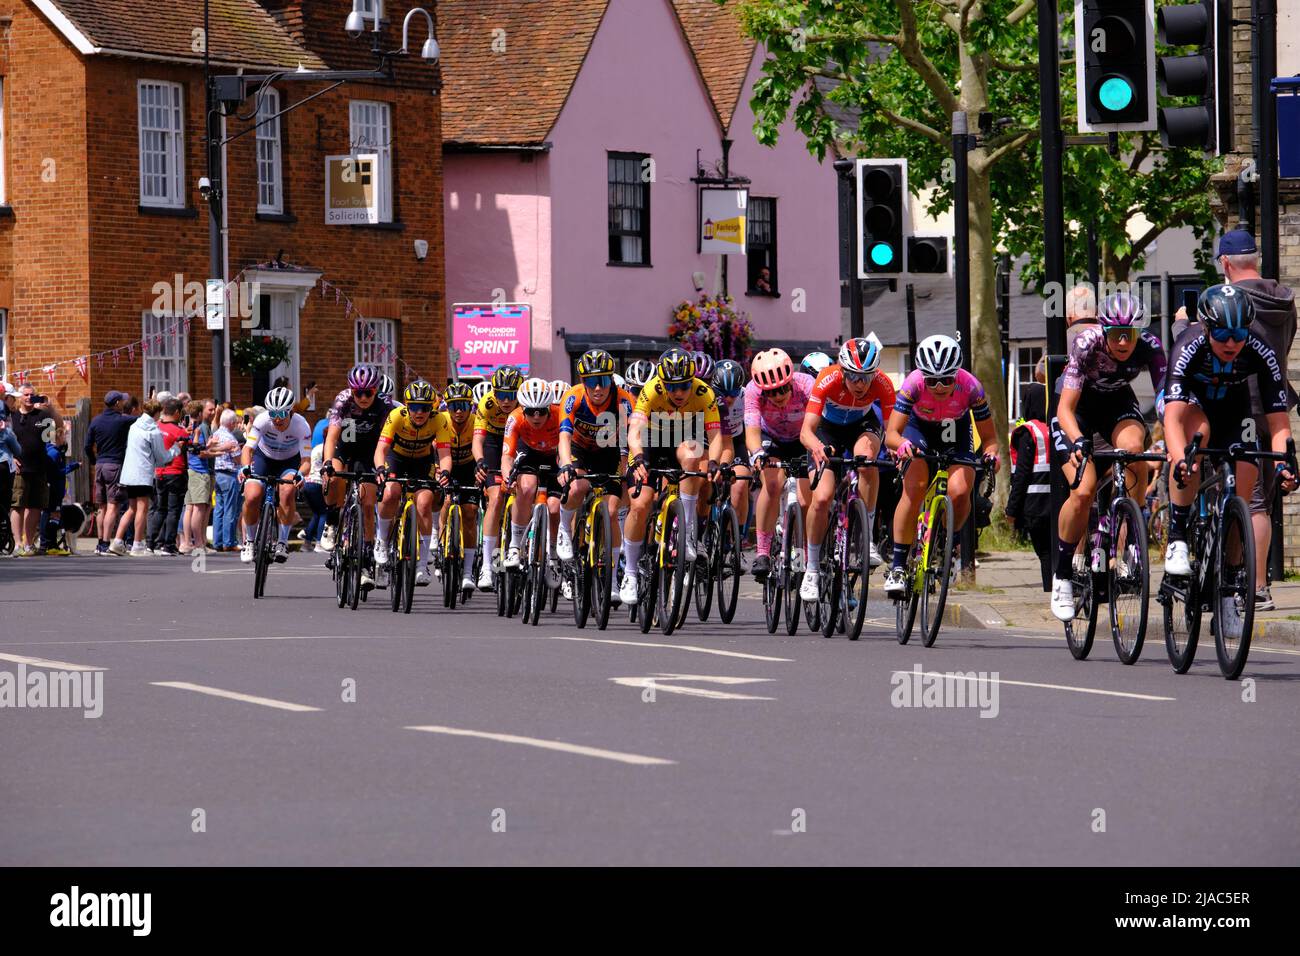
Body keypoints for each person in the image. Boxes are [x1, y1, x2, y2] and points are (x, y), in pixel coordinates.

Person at [1162, 284, 1297, 577]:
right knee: (1197, 437)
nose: (1232, 342)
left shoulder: (1261, 348)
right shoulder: (1188, 344)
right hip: (1190, 402)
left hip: (1234, 406)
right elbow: (1172, 419)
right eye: (1223, 333)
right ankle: (1177, 537)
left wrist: (1284, 465)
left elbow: (1278, 421)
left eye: (1239, 333)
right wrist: (1180, 459)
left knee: (1245, 481)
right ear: (1207, 329)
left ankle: (1232, 571)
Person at [1049, 292, 1166, 620]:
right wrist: (1076, 442)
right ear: (1105, 330)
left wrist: (1172, 433)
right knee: (1083, 491)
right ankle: (1062, 577)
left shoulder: (1151, 347)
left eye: (1130, 334)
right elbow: (1065, 408)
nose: (1124, 341)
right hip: (1078, 409)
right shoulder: (1087, 344)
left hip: (1116, 403)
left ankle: (1132, 532)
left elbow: (1164, 397)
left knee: (1134, 448)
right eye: (1117, 334)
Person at [1215, 229, 1298, 608]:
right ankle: (1250, 578)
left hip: (1239, 402)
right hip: (1274, 403)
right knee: (1261, 495)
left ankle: (1257, 587)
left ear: (1226, 263)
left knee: (1253, 500)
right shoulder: (1284, 301)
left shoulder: (1230, 300)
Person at [883, 335, 1000, 595]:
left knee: (960, 490)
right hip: (918, 429)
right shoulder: (913, 384)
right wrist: (902, 445)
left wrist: (992, 455)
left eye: (946, 380)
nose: (938, 386)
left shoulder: (971, 387)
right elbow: (891, 434)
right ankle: (899, 566)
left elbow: (990, 439)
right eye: (932, 380)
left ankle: (947, 542)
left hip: (956, 431)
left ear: (956, 375)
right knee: (915, 488)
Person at [620, 347, 722, 604]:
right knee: (641, 505)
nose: (678, 393)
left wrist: (713, 462)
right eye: (672, 387)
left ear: (692, 382)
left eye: (684, 386)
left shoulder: (703, 392)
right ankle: (630, 573)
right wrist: (639, 457)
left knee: (692, 457)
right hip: (652, 438)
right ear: (663, 383)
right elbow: (634, 432)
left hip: (684, 436)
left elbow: (716, 436)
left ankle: (686, 532)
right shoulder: (651, 389)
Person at [800, 334, 894, 599]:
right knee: (822, 498)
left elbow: (892, 429)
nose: (860, 383)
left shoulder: (883, 384)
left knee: (867, 461)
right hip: (827, 432)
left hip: (860, 427)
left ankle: (866, 538)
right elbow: (806, 431)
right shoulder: (827, 379)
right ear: (842, 370)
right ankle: (812, 569)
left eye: (867, 377)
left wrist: (901, 450)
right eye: (853, 376)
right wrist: (816, 447)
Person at [556, 350, 633, 601]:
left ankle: (611, 582)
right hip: (579, 450)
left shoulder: (623, 400)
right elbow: (564, 437)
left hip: (608, 452)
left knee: (611, 511)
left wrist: (625, 471)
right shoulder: (573, 398)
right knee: (577, 488)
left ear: (611, 379)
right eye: (591, 381)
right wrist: (566, 465)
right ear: (582, 381)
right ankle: (565, 532)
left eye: (603, 380)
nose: (598, 387)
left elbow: (628, 440)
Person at [745, 348, 815, 582]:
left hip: (803, 438)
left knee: (806, 499)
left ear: (790, 381)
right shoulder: (753, 391)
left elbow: (819, 425)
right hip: (771, 438)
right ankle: (763, 551)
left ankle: (803, 549)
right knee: (772, 485)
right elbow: (752, 431)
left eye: (783, 388)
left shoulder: (806, 384)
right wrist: (757, 454)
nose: (778, 395)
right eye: (772, 392)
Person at [320, 364, 394, 576]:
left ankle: (368, 551)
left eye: (368, 393)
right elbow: (333, 436)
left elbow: (388, 440)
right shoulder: (343, 400)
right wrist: (327, 463)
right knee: (333, 478)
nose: (362, 397)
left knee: (369, 503)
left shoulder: (384, 405)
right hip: (347, 442)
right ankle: (332, 520)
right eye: (358, 392)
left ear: (376, 390)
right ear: (351, 391)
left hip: (370, 450)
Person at [375, 380, 446, 586]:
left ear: (431, 408)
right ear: (407, 407)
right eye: (414, 407)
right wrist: (381, 468)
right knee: (390, 493)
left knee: (424, 502)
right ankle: (381, 542)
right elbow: (381, 450)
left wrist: (446, 471)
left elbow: (444, 453)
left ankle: (422, 565)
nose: (419, 412)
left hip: (422, 462)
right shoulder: (396, 416)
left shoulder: (439, 419)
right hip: (396, 459)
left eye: (424, 408)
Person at [501, 378, 564, 587]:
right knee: (526, 487)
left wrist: (567, 471)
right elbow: (507, 456)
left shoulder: (560, 415)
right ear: (523, 409)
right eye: (530, 412)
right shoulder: (514, 418)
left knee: (555, 509)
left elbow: (567, 450)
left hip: (554, 455)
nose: (536, 417)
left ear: (549, 408)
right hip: (528, 452)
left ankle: (553, 554)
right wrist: (508, 476)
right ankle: (515, 545)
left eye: (541, 411)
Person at [238, 387, 311, 564]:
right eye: (273, 412)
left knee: (287, 492)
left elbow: (306, 460)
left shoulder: (301, 425)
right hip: (264, 458)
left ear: (291, 410)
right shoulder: (262, 420)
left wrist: (300, 474)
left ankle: (282, 542)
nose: (277, 418)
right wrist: (246, 467)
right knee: (252, 494)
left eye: (282, 413)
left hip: (289, 462)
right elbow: (248, 449)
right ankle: (249, 541)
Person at [472, 366, 523, 589]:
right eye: (501, 394)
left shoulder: (524, 404)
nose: (505, 400)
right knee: (495, 500)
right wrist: (480, 461)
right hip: (494, 441)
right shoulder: (487, 403)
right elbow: (477, 440)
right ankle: (487, 566)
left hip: (519, 440)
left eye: (511, 395)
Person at [114, 399, 183, 556]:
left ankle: (117, 541)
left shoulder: (134, 426)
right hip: (143, 473)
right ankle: (137, 544)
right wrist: (175, 449)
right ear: (157, 413)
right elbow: (162, 457)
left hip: (129, 473)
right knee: (142, 509)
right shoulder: (153, 431)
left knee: (131, 509)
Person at [435, 382, 481, 591]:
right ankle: (442, 543)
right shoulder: (441, 420)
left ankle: (468, 571)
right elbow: (428, 446)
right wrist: (436, 468)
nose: (459, 411)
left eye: (464, 405)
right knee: (446, 501)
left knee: (470, 513)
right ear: (447, 407)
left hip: (469, 468)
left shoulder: (476, 421)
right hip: (446, 466)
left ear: (471, 406)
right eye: (454, 406)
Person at [9, 386, 65, 556]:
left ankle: (28, 543)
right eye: (26, 395)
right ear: (20, 397)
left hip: (39, 467)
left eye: (32, 395)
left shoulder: (42, 416)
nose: (29, 398)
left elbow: (57, 431)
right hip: (20, 468)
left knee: (35, 507)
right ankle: (18, 544)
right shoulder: (12, 416)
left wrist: (50, 406)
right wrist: (11, 457)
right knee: (18, 506)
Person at [1006, 412, 1054, 592]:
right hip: (1060, 502)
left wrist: (1012, 510)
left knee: (1045, 552)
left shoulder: (1029, 431)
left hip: (1036, 504)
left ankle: (1051, 592)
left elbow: (1022, 475)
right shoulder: (1057, 427)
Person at [84, 391, 135, 555]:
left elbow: (87, 445)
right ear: (117, 403)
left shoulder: (96, 420)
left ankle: (99, 543)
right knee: (113, 505)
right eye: (121, 401)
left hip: (100, 465)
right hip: (115, 465)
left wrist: (93, 460)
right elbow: (142, 419)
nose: (123, 403)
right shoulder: (122, 420)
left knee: (101, 506)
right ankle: (106, 543)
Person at [146, 397, 188, 555]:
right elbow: (192, 449)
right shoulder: (180, 431)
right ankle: (168, 545)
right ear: (177, 412)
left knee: (159, 509)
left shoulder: (155, 427)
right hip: (176, 473)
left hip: (159, 473)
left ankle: (151, 543)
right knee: (173, 510)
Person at [182, 399, 217, 555]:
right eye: (209, 410)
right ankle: (198, 544)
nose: (213, 412)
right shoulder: (198, 429)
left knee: (191, 508)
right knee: (198, 508)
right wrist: (217, 449)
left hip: (193, 470)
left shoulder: (192, 428)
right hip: (199, 471)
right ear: (200, 412)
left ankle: (189, 542)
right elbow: (199, 452)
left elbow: (196, 449)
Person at [210, 409, 243, 552]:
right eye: (235, 422)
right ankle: (228, 542)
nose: (236, 425)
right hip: (229, 475)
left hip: (217, 474)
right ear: (231, 423)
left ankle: (217, 542)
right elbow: (238, 459)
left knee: (219, 509)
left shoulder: (215, 434)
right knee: (230, 509)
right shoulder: (231, 439)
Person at [301, 417, 329, 553]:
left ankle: (306, 543)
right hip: (318, 483)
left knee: (317, 514)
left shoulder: (316, 447)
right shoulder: (327, 450)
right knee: (324, 512)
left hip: (308, 483)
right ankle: (319, 543)